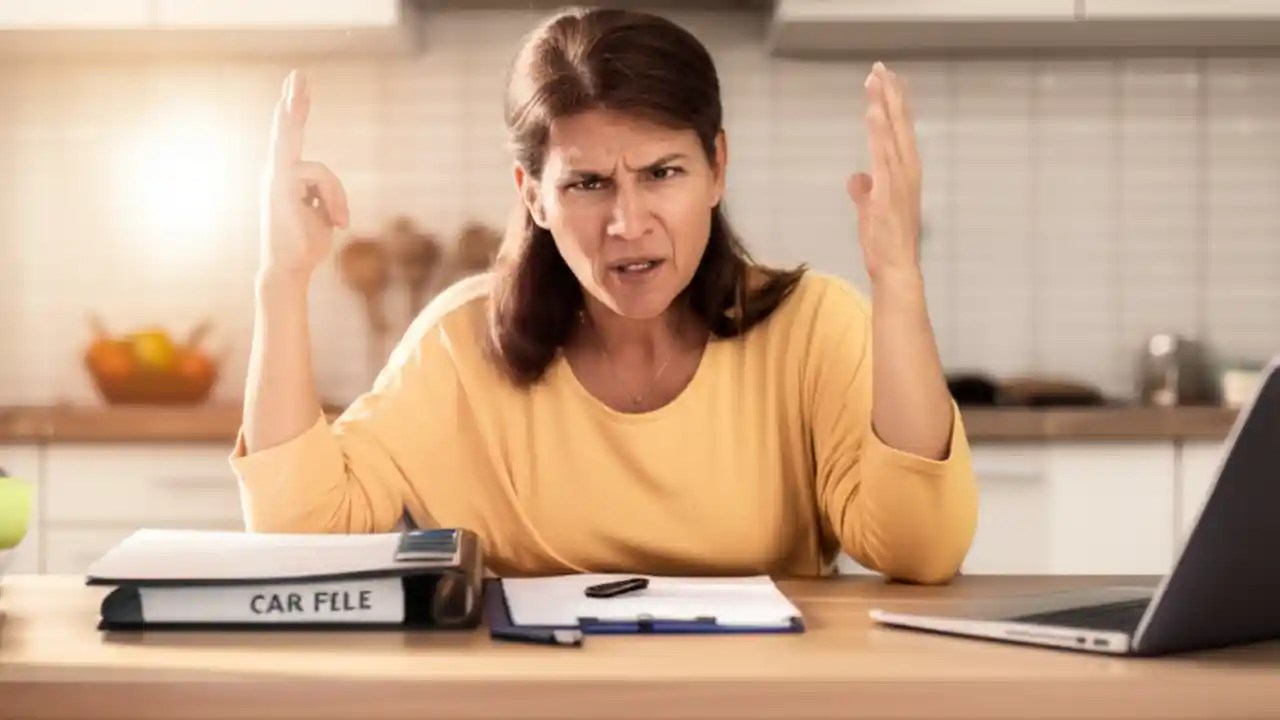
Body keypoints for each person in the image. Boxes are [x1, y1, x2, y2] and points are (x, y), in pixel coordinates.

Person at [231, 7, 978, 583]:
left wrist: (899, 280)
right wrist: (281, 279)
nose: (628, 223)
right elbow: (300, 536)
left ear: (717, 168)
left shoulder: (814, 326)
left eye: (663, 172)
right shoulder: (460, 345)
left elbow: (922, 550)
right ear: (533, 196)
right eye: (588, 184)